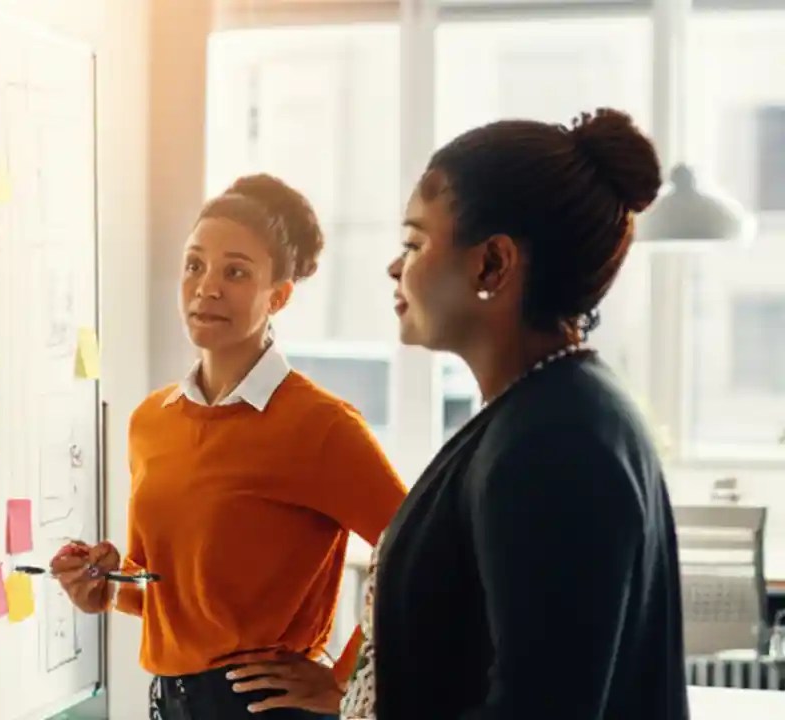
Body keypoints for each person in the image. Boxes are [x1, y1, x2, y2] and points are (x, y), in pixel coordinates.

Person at [228, 108, 690, 719]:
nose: (397, 267)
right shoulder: (545, 413)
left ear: (492, 264)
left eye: (415, 242)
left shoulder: (554, 442)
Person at [51, 174, 408, 718]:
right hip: (170, 704)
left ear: (279, 296)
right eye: (194, 265)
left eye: (235, 272)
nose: (206, 287)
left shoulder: (321, 426)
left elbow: (426, 555)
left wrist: (345, 679)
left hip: (267, 709)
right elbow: (172, 594)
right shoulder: (151, 421)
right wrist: (106, 588)